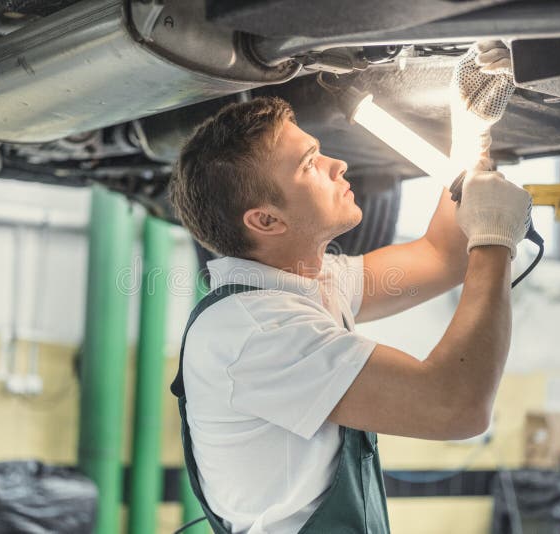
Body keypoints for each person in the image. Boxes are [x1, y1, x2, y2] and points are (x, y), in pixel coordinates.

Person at [169, 41, 531, 533]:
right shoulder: (258, 332)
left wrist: (471, 135)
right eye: (309, 163)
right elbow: (455, 405)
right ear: (266, 220)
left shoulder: (311, 282)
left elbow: (439, 257)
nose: (337, 164)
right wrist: (492, 241)